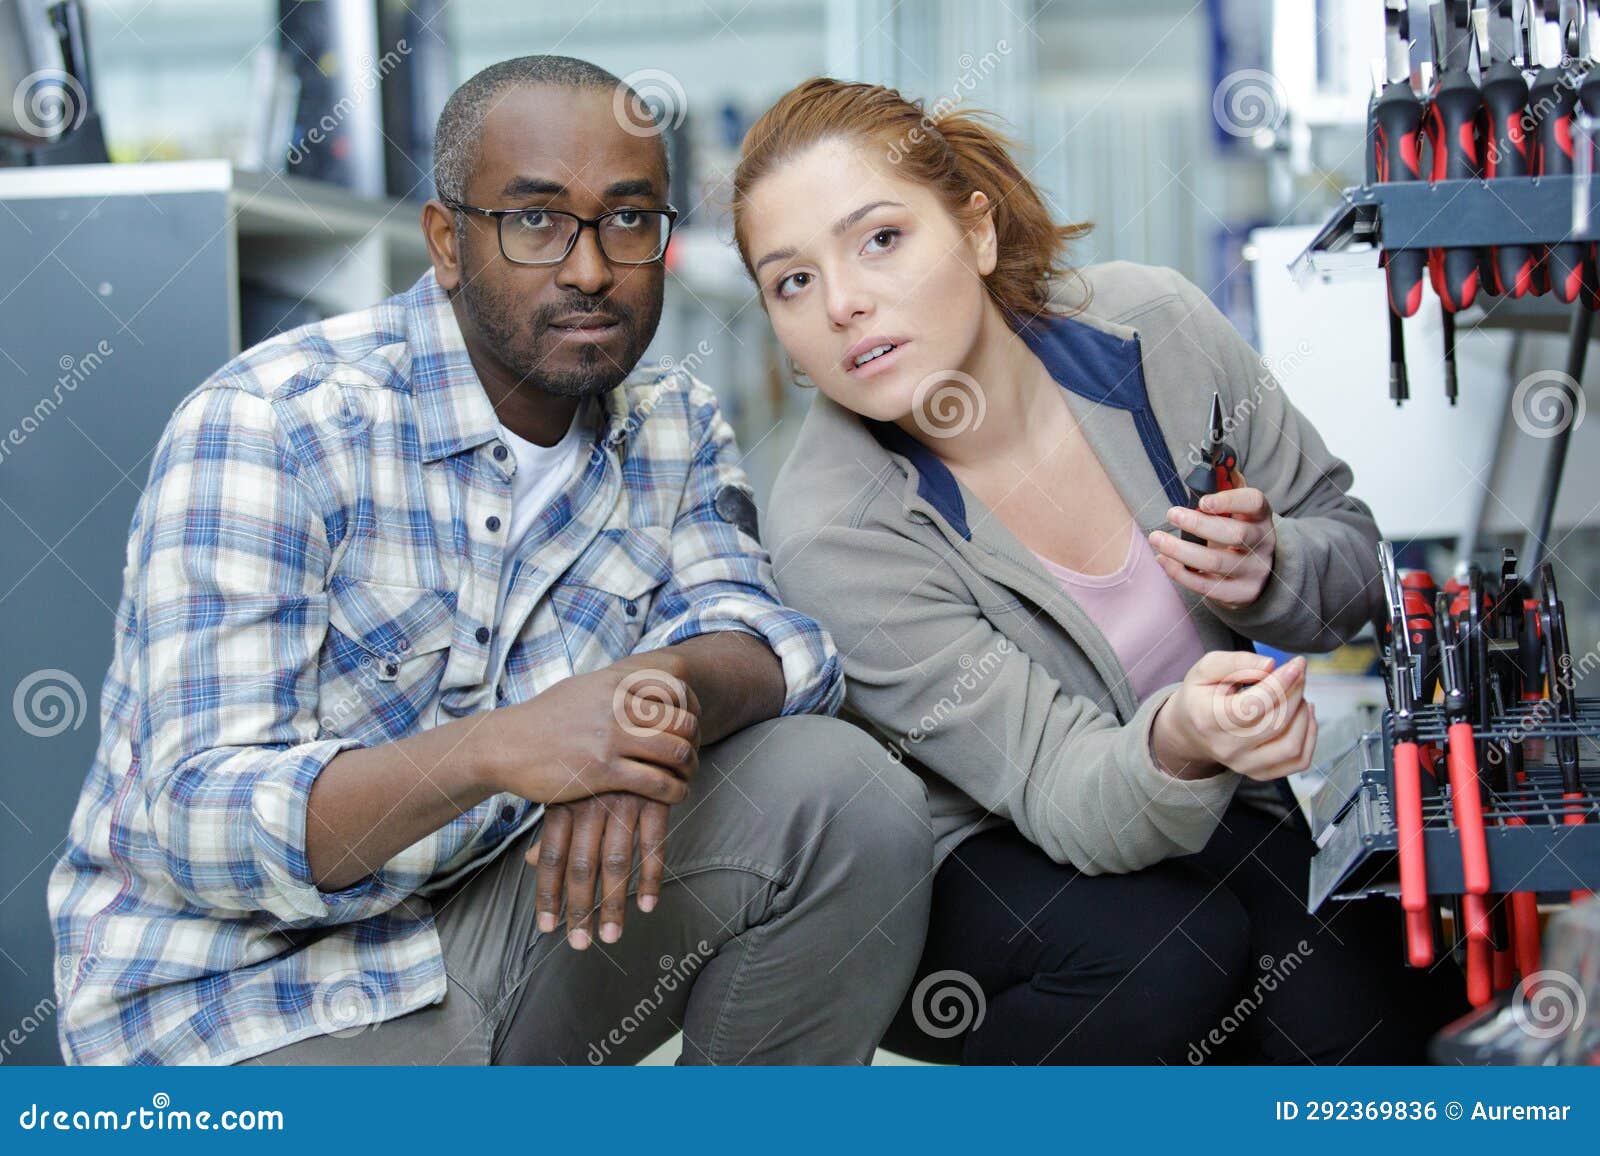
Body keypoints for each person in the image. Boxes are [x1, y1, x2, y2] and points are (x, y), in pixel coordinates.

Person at [47, 58, 934, 1067]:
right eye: (536, 221)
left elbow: (766, 638)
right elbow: (198, 822)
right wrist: (501, 749)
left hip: (499, 932)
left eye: (628, 220)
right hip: (248, 1006)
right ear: (446, 242)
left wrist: (640, 708)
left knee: (839, 794)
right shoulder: (274, 424)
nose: (590, 268)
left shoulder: (670, 422)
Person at [734, 77, 1468, 1064]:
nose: (842, 304)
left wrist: (1273, 568)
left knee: (1373, 1015)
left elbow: (1350, 560)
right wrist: (1183, 737)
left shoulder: (1157, 330)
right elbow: (1059, 787)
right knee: (1169, 958)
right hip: (974, 864)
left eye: (880, 239)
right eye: (791, 282)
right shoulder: (835, 530)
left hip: (1198, 813)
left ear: (977, 231)